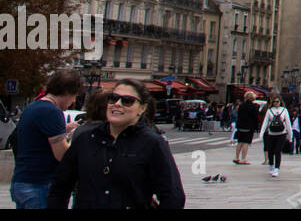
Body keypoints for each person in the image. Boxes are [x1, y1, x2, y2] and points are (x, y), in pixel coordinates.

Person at [48, 78, 186, 210]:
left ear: (142, 108)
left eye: (127, 101)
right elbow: (60, 186)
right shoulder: (86, 139)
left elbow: (173, 196)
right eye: (113, 98)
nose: (117, 104)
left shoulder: (152, 144)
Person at [9, 69, 80, 209]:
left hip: (22, 181)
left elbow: (37, 137)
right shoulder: (52, 112)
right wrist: (77, 144)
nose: (74, 100)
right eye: (75, 95)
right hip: (38, 184)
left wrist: (64, 130)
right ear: (67, 91)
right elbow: (61, 154)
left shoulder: (33, 106)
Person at [258, 94, 292, 178]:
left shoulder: (284, 110)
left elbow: (288, 123)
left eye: (277, 102)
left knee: (278, 151)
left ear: (280, 102)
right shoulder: (269, 110)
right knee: (270, 151)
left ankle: (276, 168)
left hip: (281, 134)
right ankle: (271, 165)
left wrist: (290, 136)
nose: (276, 103)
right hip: (271, 134)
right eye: (274, 102)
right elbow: (265, 123)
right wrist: (261, 133)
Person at [233, 91, 259, 165]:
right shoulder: (254, 106)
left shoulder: (241, 105)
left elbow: (239, 115)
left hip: (240, 125)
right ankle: (243, 159)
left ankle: (236, 157)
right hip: (249, 126)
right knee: (246, 142)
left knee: (240, 142)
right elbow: (255, 117)